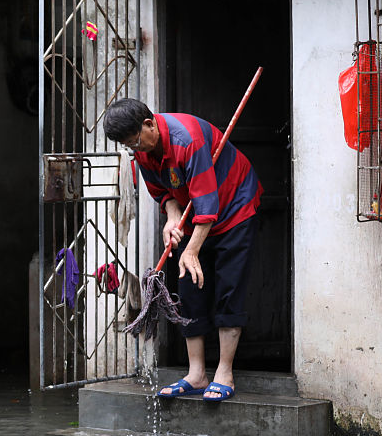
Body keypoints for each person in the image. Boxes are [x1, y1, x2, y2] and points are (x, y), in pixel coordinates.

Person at [102, 99, 262, 401]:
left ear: (149, 125)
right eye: (128, 146)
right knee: (190, 288)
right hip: (199, 213)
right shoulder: (143, 150)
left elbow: (207, 206)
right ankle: (197, 373)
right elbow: (163, 192)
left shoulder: (186, 140)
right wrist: (173, 218)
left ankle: (224, 371)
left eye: (134, 141)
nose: (134, 149)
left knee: (228, 287)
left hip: (234, 206)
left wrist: (190, 251)